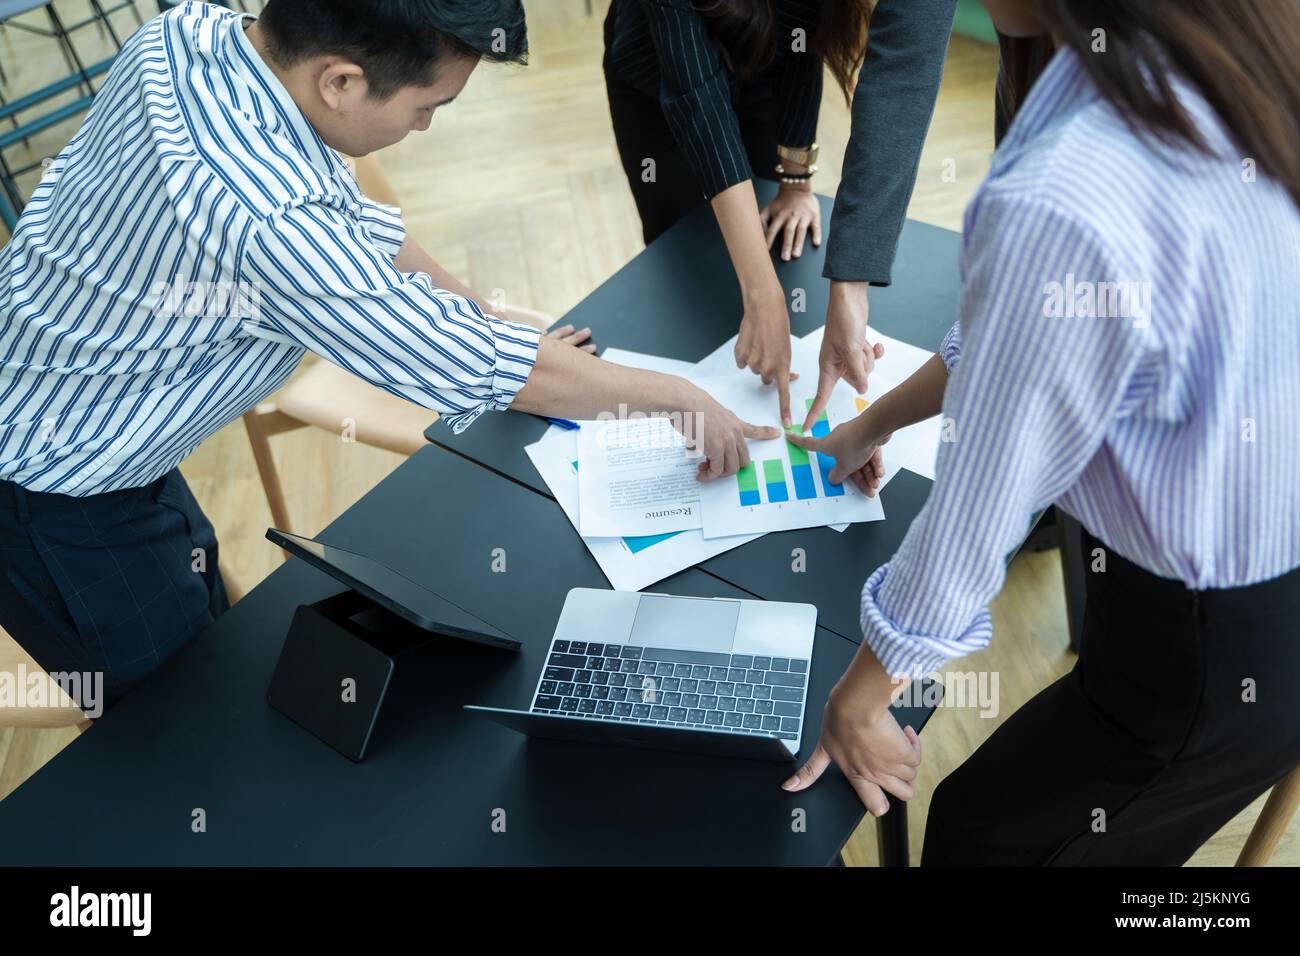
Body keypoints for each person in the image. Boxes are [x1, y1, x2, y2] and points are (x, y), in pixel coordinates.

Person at [0, 0, 780, 712]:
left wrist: (483, 312)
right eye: (425, 108)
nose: (427, 128)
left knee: (209, 653)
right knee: (168, 730)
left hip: (92, 412)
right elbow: (476, 367)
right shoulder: (264, 221)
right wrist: (680, 396)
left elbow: (353, 222)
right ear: (340, 81)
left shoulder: (188, 34)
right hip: (51, 488)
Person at [781, 0, 1300, 865]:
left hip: (1221, 650)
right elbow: (1018, 347)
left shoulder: (1069, 188)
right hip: (1235, 575)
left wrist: (859, 699)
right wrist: (868, 422)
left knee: (978, 840)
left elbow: (972, 526)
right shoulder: (1218, 46)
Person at [604, 0, 957, 427]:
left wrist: (795, 183)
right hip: (657, 77)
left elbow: (805, 37)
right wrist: (762, 295)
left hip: (762, 63)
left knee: (768, 257)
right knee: (686, 259)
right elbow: (696, 96)